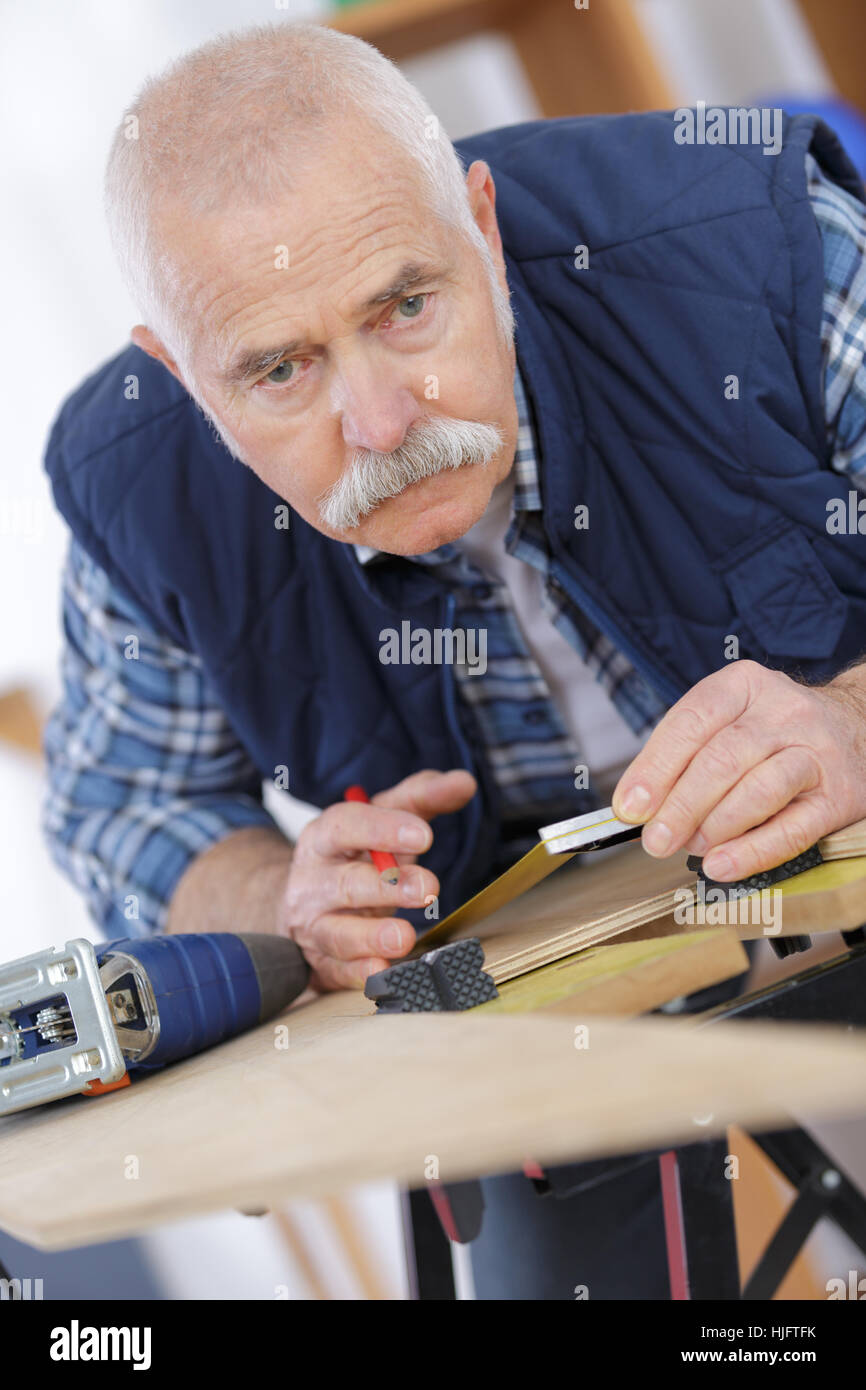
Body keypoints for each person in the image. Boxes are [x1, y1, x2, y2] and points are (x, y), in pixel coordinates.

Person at [43, 22, 866, 1298]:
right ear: (183, 381)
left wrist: (853, 720)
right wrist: (279, 904)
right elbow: (127, 805)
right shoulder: (134, 477)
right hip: (540, 1001)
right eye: (277, 368)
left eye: (406, 306)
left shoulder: (759, 249)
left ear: (478, 224)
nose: (379, 422)